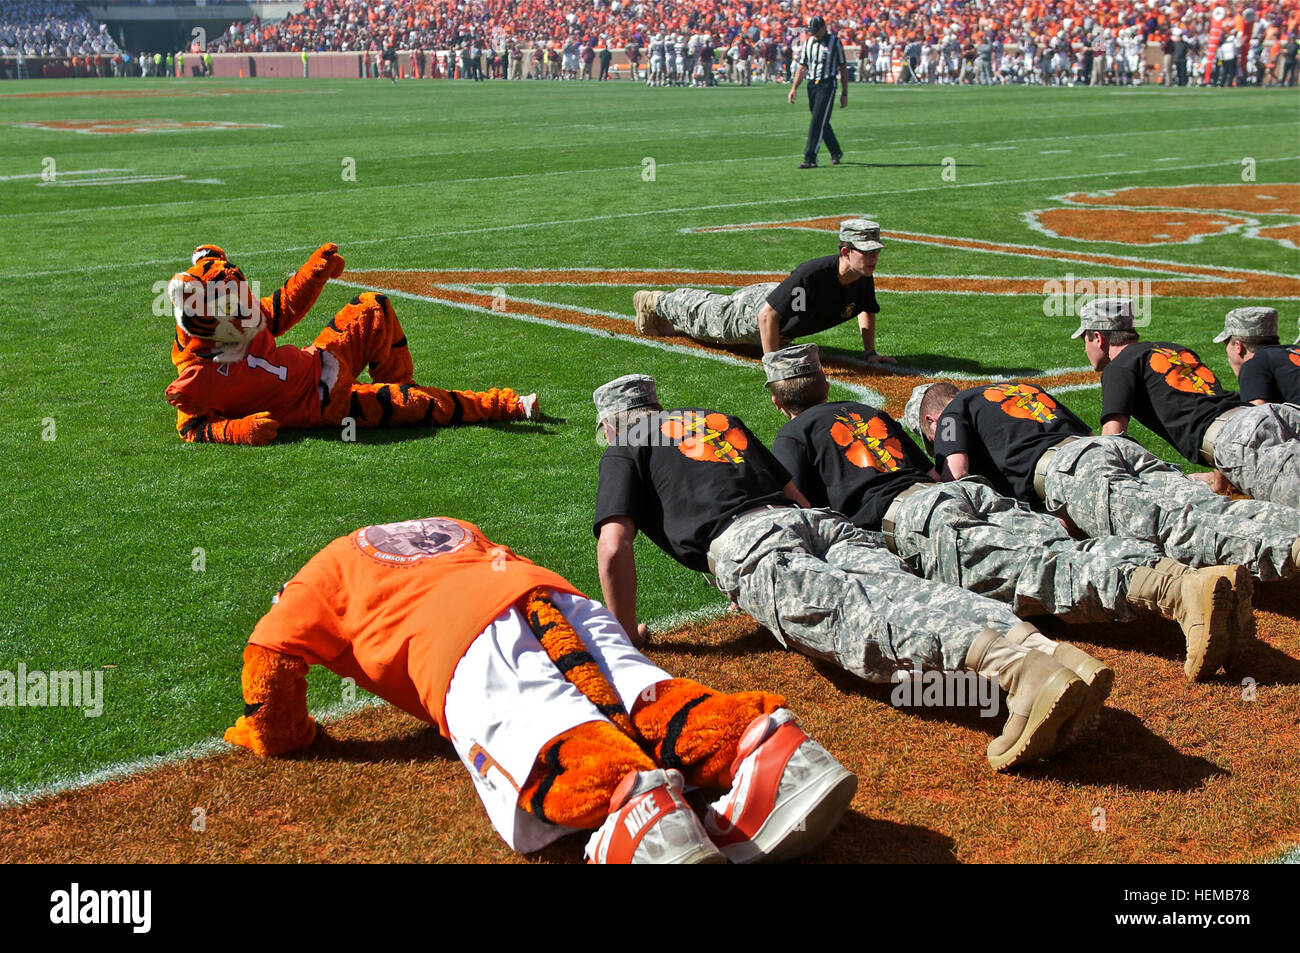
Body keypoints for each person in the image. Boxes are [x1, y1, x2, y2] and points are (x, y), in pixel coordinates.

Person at [222, 515, 856, 863]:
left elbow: (270, 659)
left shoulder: (311, 583)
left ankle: (644, 817)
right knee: (639, 696)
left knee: (555, 740)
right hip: (548, 596)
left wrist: (279, 732)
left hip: (466, 643)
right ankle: (773, 749)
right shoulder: (433, 529)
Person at [591, 373, 1110, 772]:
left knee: (860, 621)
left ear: (614, 421)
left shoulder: (625, 441)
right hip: (816, 523)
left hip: (747, 542)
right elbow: (794, 493)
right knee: (911, 590)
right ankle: (1048, 652)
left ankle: (1018, 673)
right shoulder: (714, 418)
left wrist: (622, 635)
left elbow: (615, 546)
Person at [764, 345, 1247, 681]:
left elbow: (804, 515)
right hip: (960, 495)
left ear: (776, 397)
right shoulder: (868, 413)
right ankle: (1173, 571)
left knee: (1031, 568)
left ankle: (1173, 589)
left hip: (915, 518)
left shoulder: (793, 436)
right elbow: (935, 472)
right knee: (1058, 546)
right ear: (825, 383)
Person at [904, 375, 1300, 584]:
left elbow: (956, 478)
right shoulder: (1020, 389)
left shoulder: (954, 411)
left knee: (1178, 529)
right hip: (1112, 449)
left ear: (930, 421)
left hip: (1072, 468)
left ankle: (1290, 551)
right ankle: (1290, 530)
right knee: (1208, 507)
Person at [165, 243, 537, 445]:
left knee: (374, 308)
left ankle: (396, 385)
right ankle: (507, 405)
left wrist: (313, 273)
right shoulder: (196, 375)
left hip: (320, 360)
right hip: (326, 404)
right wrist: (238, 430)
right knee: (421, 406)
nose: (249, 310)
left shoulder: (241, 316)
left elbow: (282, 308)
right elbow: (191, 428)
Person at [1075, 298, 1300, 508]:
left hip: (1238, 438)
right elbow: (1214, 408)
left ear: (1098, 337)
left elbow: (1112, 439)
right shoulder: (1175, 349)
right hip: (1269, 415)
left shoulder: (1119, 366)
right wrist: (1219, 484)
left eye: (1085, 339)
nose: (1085, 349)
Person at [632, 219, 894, 362]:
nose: (873, 258)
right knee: (703, 316)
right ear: (846, 252)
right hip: (755, 311)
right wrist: (773, 363)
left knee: (705, 316)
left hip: (780, 322)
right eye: (867, 252)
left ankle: (659, 307)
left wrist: (870, 353)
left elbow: (866, 309)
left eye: (876, 252)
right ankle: (653, 301)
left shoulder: (862, 275)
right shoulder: (813, 274)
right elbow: (766, 316)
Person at [787, 16, 849, 169]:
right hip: (812, 85)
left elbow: (842, 67)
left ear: (823, 28)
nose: (813, 34)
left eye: (816, 31)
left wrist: (844, 93)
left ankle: (810, 157)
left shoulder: (835, 42)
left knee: (816, 121)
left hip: (827, 84)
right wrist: (794, 88)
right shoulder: (809, 43)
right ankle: (835, 151)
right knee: (821, 121)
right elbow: (802, 67)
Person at [1215, 306, 1300, 406]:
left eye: (1226, 343)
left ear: (1238, 346)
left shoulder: (1255, 364)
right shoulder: (1293, 351)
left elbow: (1256, 415)